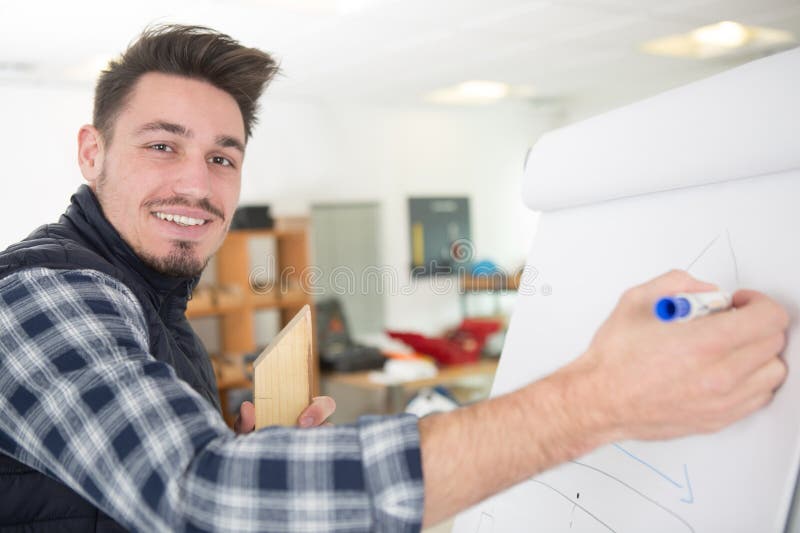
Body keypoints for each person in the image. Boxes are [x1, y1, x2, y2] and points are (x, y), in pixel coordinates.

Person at [0, 24, 789, 533]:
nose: (197, 184)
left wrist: (253, 459)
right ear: (91, 153)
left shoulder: (152, 302)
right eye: (161, 145)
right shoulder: (40, 296)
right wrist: (601, 400)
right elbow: (199, 496)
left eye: (222, 156)